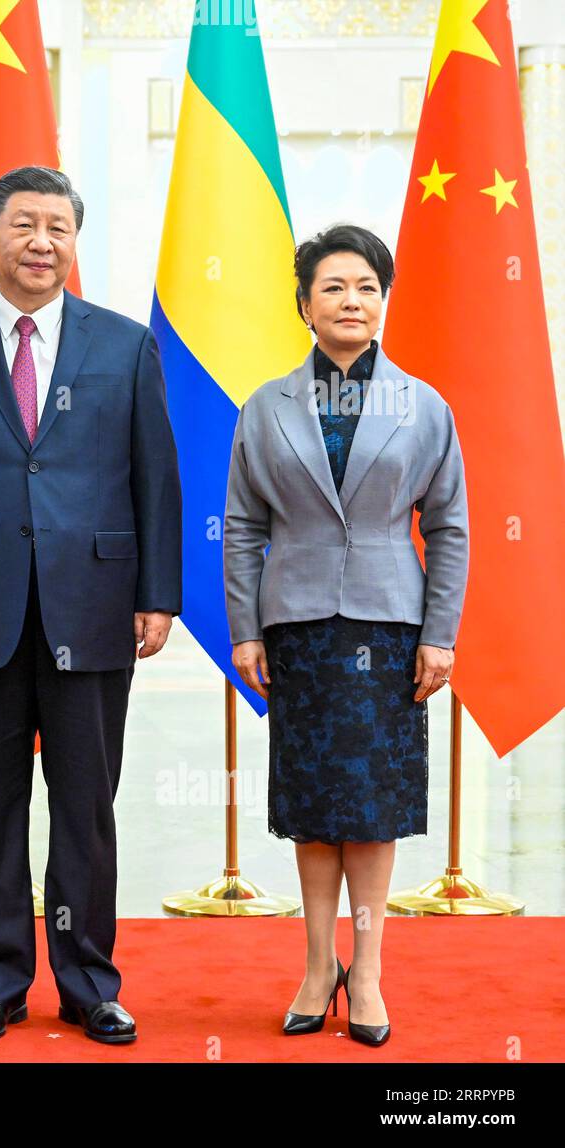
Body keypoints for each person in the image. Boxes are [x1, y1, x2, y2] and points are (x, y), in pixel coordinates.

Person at [0, 166, 182, 1044]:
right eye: (24, 225)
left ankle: (90, 979)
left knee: (87, 804)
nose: (42, 243)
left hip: (93, 606)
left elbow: (155, 478)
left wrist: (156, 594)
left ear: (74, 241)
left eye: (59, 227)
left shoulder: (124, 344)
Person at [224, 224, 469, 1047]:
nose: (351, 300)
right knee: (314, 810)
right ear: (304, 304)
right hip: (297, 631)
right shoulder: (266, 406)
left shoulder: (423, 405)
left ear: (383, 299)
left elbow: (451, 527)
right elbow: (243, 526)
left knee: (370, 812)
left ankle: (366, 972)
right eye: (333, 287)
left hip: (389, 627)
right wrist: (245, 628)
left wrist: (441, 633)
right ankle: (315, 963)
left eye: (365, 286)